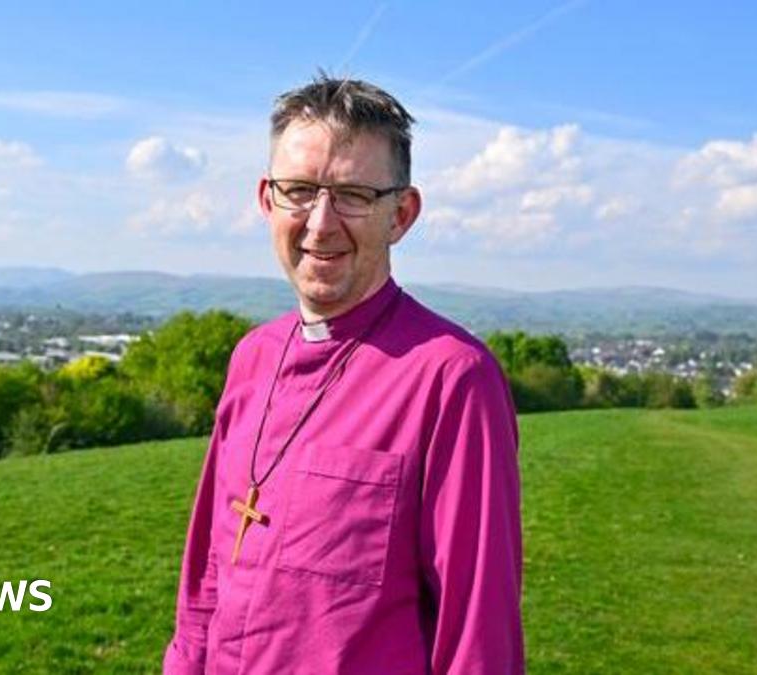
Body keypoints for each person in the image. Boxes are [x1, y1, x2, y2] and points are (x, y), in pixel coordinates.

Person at [162, 74, 524, 674]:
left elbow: (478, 635)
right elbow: (205, 572)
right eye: (299, 190)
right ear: (266, 200)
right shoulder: (251, 356)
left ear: (401, 215)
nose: (321, 223)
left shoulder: (452, 380)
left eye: (354, 194)